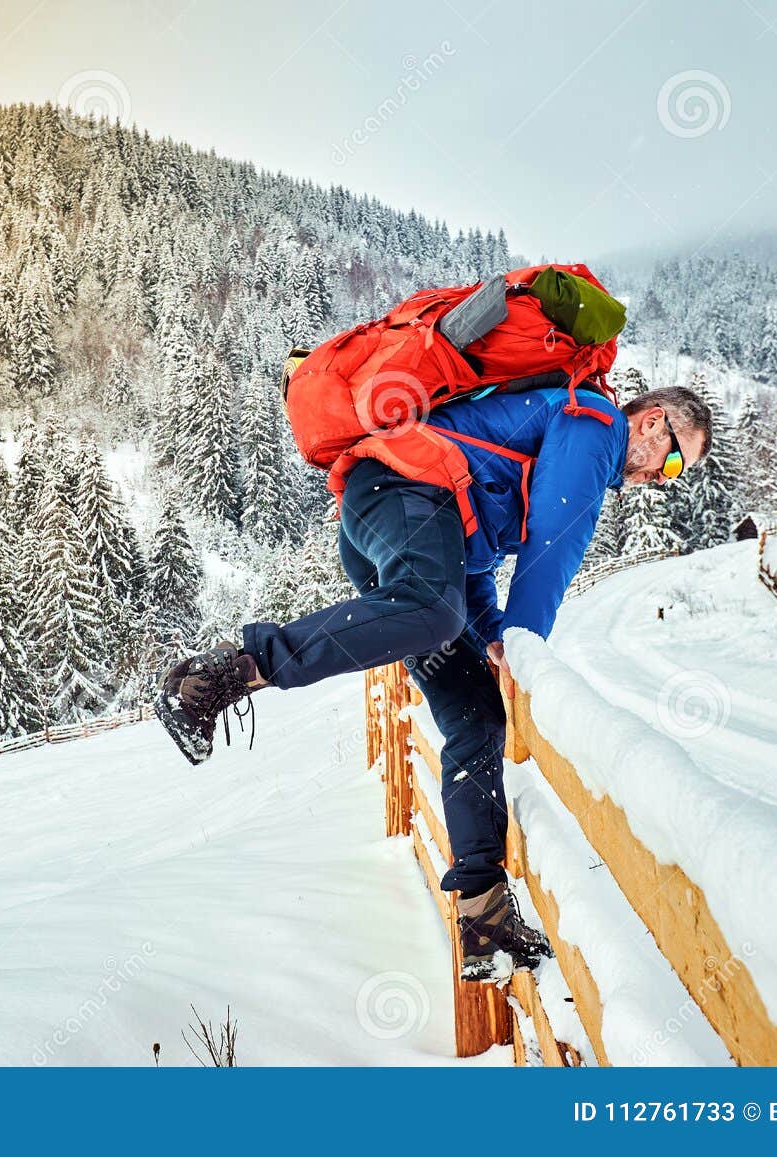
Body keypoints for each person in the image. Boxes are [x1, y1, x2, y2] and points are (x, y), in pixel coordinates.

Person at [154, 382, 712, 980]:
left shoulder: (569, 436)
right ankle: (225, 671)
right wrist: (525, 640)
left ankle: (483, 914)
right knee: (431, 612)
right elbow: (555, 538)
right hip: (404, 488)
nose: (663, 479)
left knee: (478, 716)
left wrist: (495, 637)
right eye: (675, 461)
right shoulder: (595, 421)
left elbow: (469, 565)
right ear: (652, 422)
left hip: (404, 516)